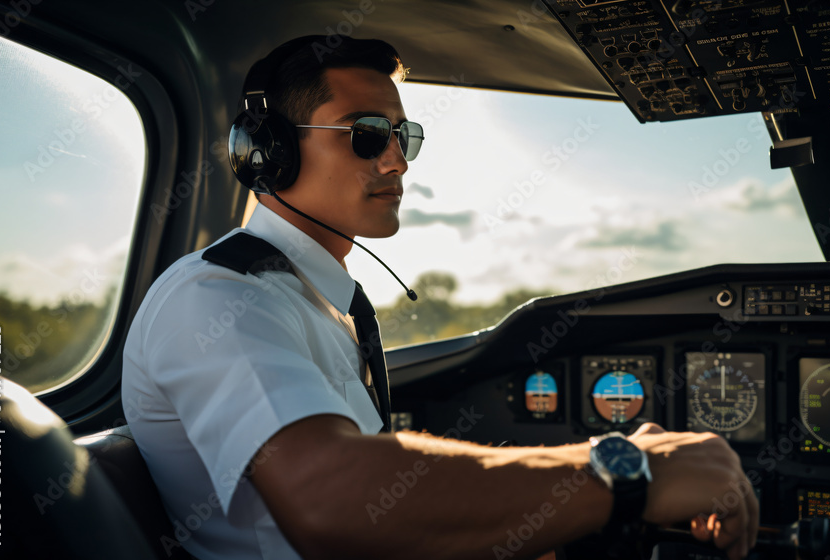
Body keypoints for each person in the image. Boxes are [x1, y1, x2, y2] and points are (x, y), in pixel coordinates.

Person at [122, 34, 758, 560]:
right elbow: (332, 499)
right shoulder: (217, 298)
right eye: (368, 132)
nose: (398, 161)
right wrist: (623, 472)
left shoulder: (314, 302)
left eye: (406, 136)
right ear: (271, 150)